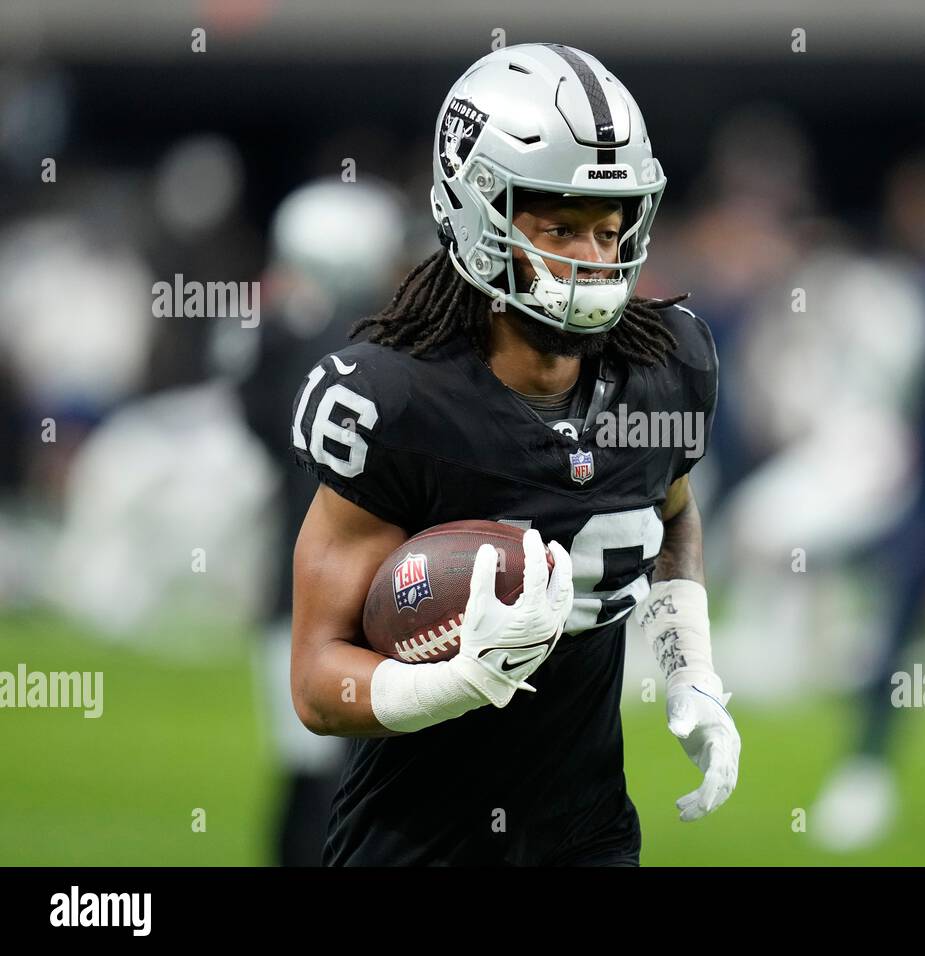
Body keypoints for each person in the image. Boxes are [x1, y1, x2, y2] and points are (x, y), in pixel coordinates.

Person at [288, 42, 740, 866]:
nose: (593, 260)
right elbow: (317, 683)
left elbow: (670, 519)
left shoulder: (665, 367)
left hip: (588, 836)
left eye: (610, 229)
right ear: (475, 212)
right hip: (420, 845)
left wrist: (691, 670)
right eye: (561, 226)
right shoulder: (398, 404)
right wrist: (452, 685)